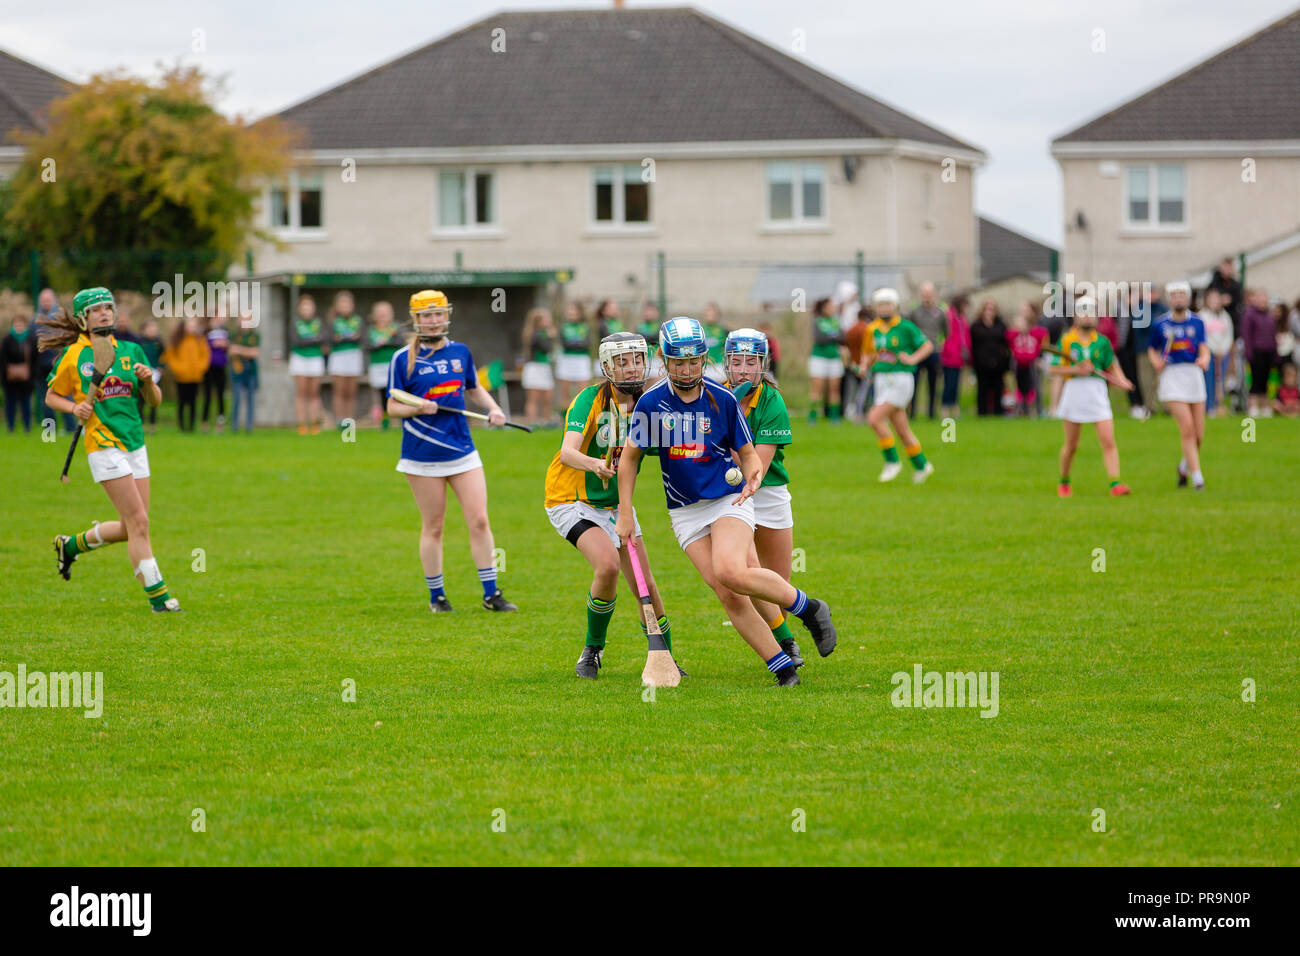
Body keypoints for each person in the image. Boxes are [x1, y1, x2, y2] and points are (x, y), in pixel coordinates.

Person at [615, 316, 836, 687]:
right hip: (685, 512)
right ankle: (782, 667)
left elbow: (748, 453)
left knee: (731, 570)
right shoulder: (652, 404)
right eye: (678, 362)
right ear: (663, 359)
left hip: (727, 500)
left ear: (705, 358)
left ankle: (809, 608)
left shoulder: (722, 399)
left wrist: (752, 475)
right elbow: (630, 459)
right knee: (727, 592)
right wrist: (624, 513)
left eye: (694, 361)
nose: (686, 370)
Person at [42, 287, 180, 612]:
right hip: (103, 445)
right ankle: (160, 599)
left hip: (135, 442)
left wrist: (148, 383)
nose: (104, 313)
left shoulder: (132, 350)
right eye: (96, 310)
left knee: (131, 525)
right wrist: (73, 408)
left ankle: (70, 545)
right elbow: (51, 395)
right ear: (83, 318)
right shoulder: (74, 356)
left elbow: (155, 400)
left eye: (108, 307)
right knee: (140, 525)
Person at [544, 331, 673, 678]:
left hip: (618, 503)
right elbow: (568, 452)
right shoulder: (589, 400)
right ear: (607, 367)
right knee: (607, 566)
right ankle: (593, 650)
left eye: (636, 360)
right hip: (571, 499)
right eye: (622, 362)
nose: (631, 369)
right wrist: (596, 465)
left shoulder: (651, 403)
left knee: (645, 582)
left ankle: (666, 658)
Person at [387, 290, 516, 613]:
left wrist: (494, 409)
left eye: (438, 314)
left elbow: (473, 387)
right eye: (426, 316)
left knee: (480, 521)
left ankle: (491, 594)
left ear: (447, 316)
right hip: (422, 454)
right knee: (434, 525)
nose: (433, 321)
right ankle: (437, 597)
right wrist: (417, 409)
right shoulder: (402, 358)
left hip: (462, 449)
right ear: (415, 320)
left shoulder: (461, 352)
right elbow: (391, 406)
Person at [724, 328, 805, 667]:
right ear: (727, 364)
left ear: (764, 364)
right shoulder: (713, 395)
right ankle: (784, 648)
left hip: (767, 493)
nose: (744, 370)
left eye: (752, 362)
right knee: (744, 570)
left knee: (776, 584)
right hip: (727, 496)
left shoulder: (772, 401)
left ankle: (782, 632)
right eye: (737, 362)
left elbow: (756, 467)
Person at [1051, 296, 1134, 498]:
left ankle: (1115, 484)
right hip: (1074, 393)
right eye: (1083, 312)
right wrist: (1076, 369)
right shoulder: (1067, 340)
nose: (1087, 316)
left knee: (1108, 440)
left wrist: (1122, 380)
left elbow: (1111, 365)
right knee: (1072, 445)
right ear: (1076, 316)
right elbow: (1055, 368)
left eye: (1091, 312)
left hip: (1097, 393)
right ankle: (1064, 481)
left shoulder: (1102, 342)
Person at [860, 288, 934, 483]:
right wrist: (864, 365)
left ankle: (892, 462)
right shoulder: (872, 328)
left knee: (874, 419)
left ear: (896, 306)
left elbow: (927, 346)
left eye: (888, 304)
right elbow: (868, 353)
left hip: (901, 379)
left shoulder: (906, 327)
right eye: (881, 305)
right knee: (902, 429)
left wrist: (912, 359)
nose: (884, 308)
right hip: (881, 379)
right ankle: (922, 465)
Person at [1148, 281, 1210, 490]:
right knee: (1187, 429)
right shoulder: (1161, 324)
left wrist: (1204, 359)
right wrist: (1157, 362)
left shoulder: (1198, 323)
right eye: (1174, 295)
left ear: (1188, 297)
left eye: (1182, 295)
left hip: (1193, 376)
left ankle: (1184, 467)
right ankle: (1198, 478)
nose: (1178, 299)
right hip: (1172, 377)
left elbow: (1203, 348)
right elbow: (1152, 349)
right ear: (1169, 299)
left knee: (1199, 436)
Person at [32, 288, 74, 432]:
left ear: (54, 300)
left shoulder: (62, 319)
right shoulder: (35, 320)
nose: (46, 303)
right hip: (42, 367)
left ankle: (70, 428)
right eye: (43, 300)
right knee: (46, 401)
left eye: (48, 300)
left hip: (60, 365)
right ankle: (49, 432)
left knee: (65, 396)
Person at [162, 315, 209, 432]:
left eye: (194, 325)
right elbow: (170, 356)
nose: (192, 328)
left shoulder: (200, 340)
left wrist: (200, 368)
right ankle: (182, 426)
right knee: (182, 402)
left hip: (195, 376)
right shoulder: (177, 340)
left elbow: (206, 356)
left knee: (193, 403)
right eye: (190, 325)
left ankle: (191, 426)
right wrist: (179, 369)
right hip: (181, 377)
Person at [908, 281, 946, 419]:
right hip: (917, 353)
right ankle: (912, 413)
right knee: (914, 384)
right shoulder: (914, 312)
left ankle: (931, 413)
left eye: (929, 294)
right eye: (924, 294)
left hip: (934, 352)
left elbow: (946, 332)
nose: (927, 297)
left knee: (933, 384)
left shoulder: (940, 313)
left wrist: (938, 344)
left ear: (934, 294)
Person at [327, 290, 364, 428]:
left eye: (347, 303)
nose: (345, 306)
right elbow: (330, 339)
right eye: (341, 303)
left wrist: (350, 337)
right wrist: (343, 339)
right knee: (339, 390)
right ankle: (339, 419)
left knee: (351, 391)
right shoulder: (333, 321)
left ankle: (350, 420)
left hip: (354, 356)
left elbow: (362, 337)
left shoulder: (357, 320)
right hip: (338, 356)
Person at [289, 294, 325, 434]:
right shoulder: (295, 323)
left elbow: (323, 339)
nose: (307, 310)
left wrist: (309, 341)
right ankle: (301, 424)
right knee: (301, 393)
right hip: (299, 358)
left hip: (315, 358)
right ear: (299, 309)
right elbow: (296, 341)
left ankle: (314, 423)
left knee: (313, 393)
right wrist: (312, 340)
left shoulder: (318, 323)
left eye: (309, 307)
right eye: (304, 307)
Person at [366, 301, 402, 429]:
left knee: (397, 392)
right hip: (377, 365)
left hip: (392, 365)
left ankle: (401, 418)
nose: (383, 317)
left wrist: (387, 342)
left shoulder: (395, 328)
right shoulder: (371, 330)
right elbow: (367, 346)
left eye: (385, 314)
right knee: (383, 394)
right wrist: (377, 344)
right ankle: (385, 420)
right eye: (380, 314)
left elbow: (400, 342)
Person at [969, 299, 1009, 416]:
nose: (989, 312)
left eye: (992, 309)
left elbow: (1006, 343)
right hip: (981, 363)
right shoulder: (976, 326)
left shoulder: (1001, 325)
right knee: (982, 389)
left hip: (998, 363)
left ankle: (998, 411)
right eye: (987, 309)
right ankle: (982, 412)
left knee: (998, 388)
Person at [807, 296, 843, 423]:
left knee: (835, 389)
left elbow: (843, 338)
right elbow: (819, 339)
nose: (832, 308)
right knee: (817, 388)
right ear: (823, 308)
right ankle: (812, 416)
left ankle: (835, 417)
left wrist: (832, 336)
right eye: (830, 306)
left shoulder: (836, 321)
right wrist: (833, 336)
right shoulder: (818, 321)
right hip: (819, 358)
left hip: (834, 358)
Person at [1007, 301, 1047, 417]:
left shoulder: (1038, 329)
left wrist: (1040, 358)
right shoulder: (1015, 331)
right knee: (1019, 387)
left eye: (1026, 309)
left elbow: (1044, 343)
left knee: (1034, 387)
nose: (1023, 312)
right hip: (1019, 363)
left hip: (1032, 363)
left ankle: (1036, 410)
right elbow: (1009, 341)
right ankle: (1021, 410)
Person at [1240, 289, 1276, 417]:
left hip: (1268, 351)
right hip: (1256, 352)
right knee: (1255, 380)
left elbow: (1273, 334)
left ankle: (1265, 406)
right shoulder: (1249, 315)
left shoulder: (1270, 315)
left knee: (1265, 380)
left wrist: (1274, 352)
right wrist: (1249, 352)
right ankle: (1253, 406)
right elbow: (1246, 335)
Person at [521, 307, 557, 426]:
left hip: (544, 367)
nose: (549, 322)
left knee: (547, 398)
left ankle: (546, 421)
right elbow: (546, 347)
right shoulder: (535, 334)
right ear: (538, 321)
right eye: (546, 319)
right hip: (534, 368)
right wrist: (551, 337)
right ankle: (532, 422)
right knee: (533, 399)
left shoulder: (542, 333)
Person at [1201, 288, 1233, 417]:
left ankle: (1218, 404)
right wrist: (1212, 350)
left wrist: (1223, 349)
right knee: (1208, 381)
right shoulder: (1202, 316)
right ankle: (1208, 407)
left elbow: (1229, 335)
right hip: (1208, 353)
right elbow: (1203, 337)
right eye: (1211, 299)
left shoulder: (1225, 317)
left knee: (1220, 381)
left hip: (1222, 354)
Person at [555, 301, 592, 412]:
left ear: (580, 313)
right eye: (570, 313)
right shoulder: (564, 327)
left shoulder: (585, 327)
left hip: (581, 359)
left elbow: (586, 344)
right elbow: (564, 343)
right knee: (565, 391)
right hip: (567, 359)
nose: (572, 315)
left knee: (583, 391)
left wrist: (574, 344)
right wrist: (577, 343)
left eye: (574, 312)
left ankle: (583, 415)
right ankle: (565, 417)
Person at [2, 313, 36, 433]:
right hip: (10, 379)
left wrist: (32, 377)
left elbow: (35, 359)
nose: (19, 326)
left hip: (26, 380)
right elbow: (3, 359)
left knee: (26, 404)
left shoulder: (30, 339)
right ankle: (10, 427)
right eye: (16, 324)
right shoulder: (7, 340)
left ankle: (27, 427)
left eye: (21, 324)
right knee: (10, 404)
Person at [939, 294, 971, 419]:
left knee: (956, 384)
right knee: (949, 384)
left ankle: (955, 408)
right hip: (949, 356)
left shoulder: (963, 318)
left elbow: (965, 336)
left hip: (959, 357)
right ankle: (945, 409)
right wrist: (949, 351)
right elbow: (947, 336)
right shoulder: (949, 316)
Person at [228, 312, 260, 433]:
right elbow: (231, 351)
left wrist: (239, 350)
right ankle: (235, 426)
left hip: (251, 371)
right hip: (237, 370)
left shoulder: (254, 336)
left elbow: (255, 353)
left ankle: (249, 427)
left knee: (250, 400)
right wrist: (247, 351)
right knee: (236, 398)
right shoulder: (233, 336)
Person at [201, 308, 229, 433]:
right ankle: (205, 422)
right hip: (208, 368)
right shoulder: (205, 332)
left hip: (221, 368)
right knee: (207, 395)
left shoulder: (226, 332)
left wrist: (226, 345)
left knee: (220, 396)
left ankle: (220, 422)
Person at [842, 305, 872, 421]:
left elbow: (845, 349)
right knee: (863, 392)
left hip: (852, 365)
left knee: (852, 391)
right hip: (864, 365)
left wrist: (850, 364)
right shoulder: (867, 330)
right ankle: (860, 413)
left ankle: (850, 412)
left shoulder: (850, 330)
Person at [136, 318, 164, 433]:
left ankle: (152, 425)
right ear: (144, 330)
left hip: (155, 375)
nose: (153, 331)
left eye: (154, 329)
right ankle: (141, 424)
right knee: (141, 401)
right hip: (142, 374)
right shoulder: (139, 343)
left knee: (154, 399)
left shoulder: (159, 343)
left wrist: (162, 368)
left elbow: (164, 357)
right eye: (150, 329)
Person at [700, 302, 728, 383]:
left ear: (717, 315)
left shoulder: (724, 330)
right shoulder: (699, 330)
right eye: (708, 312)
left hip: (718, 366)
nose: (710, 315)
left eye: (713, 313)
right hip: (703, 366)